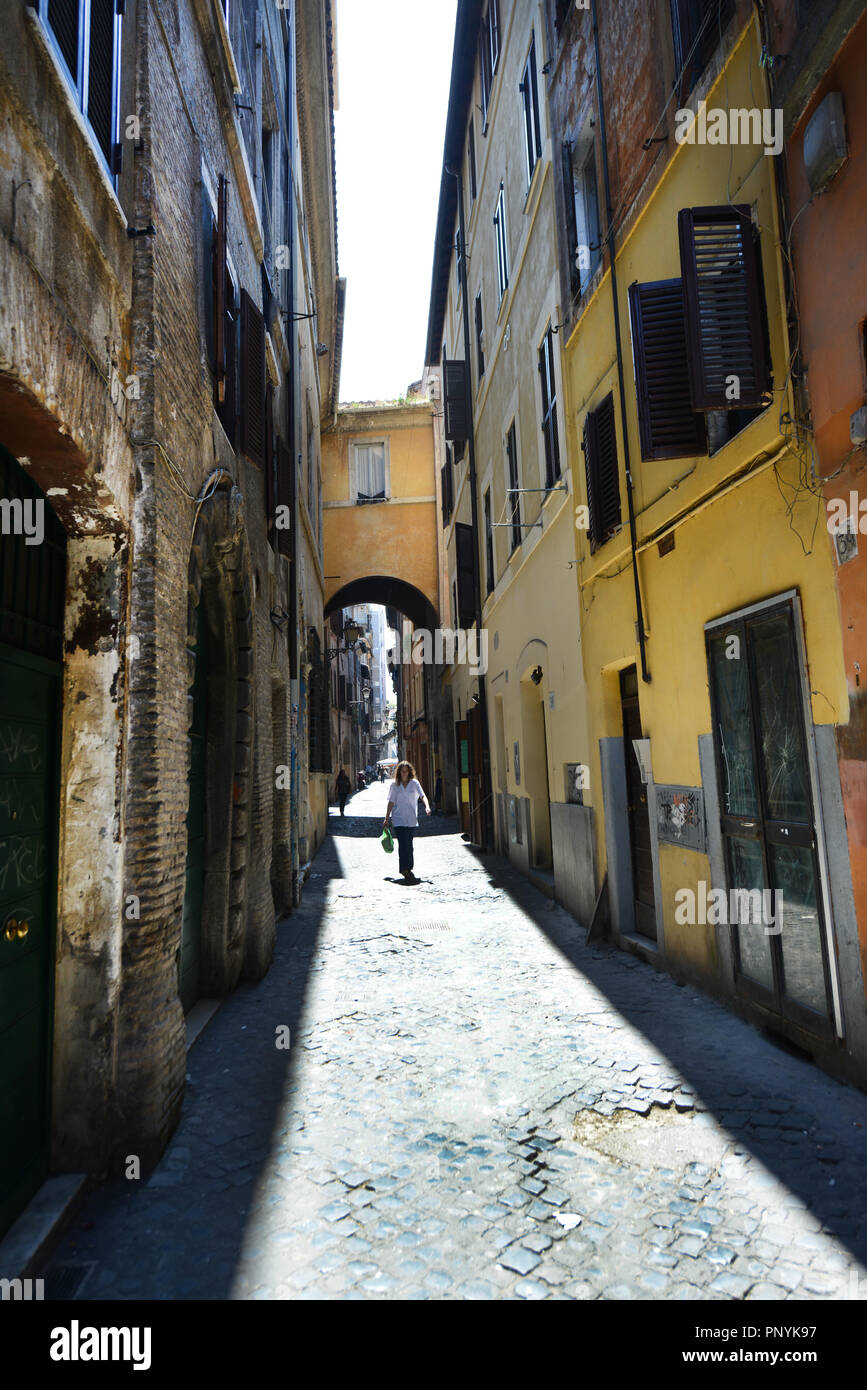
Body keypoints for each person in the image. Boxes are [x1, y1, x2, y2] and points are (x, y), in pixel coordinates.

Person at [383, 760, 430, 883]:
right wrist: (387, 818)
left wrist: (427, 806)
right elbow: (391, 802)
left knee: (409, 846)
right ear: (399, 773)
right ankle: (404, 869)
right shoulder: (394, 786)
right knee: (403, 845)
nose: (404, 773)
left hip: (411, 819)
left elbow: (423, 796)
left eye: (406, 771)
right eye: (402, 771)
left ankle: (408, 868)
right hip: (398, 819)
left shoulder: (414, 783)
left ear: (409, 772)